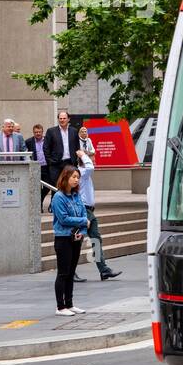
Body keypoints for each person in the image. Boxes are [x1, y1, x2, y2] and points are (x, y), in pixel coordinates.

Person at [74, 148, 121, 282]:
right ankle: (70, 271)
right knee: (78, 242)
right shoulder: (82, 172)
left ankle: (104, 270)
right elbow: (90, 166)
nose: (94, 161)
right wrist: (83, 154)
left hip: (89, 210)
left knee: (96, 239)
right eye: (92, 159)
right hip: (83, 210)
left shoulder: (84, 173)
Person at [49, 166, 88, 316]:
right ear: (65, 178)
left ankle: (70, 304)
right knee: (63, 273)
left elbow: (84, 213)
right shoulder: (58, 197)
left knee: (71, 272)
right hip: (63, 238)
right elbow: (64, 219)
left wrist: (82, 232)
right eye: (73, 177)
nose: (76, 180)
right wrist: (83, 221)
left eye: (78, 177)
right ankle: (60, 307)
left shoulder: (76, 196)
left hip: (76, 238)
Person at [43, 110, 80, 179]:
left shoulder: (74, 131)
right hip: (56, 164)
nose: (62, 120)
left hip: (70, 163)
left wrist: (76, 160)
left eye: (64, 118)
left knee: (70, 186)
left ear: (68, 119)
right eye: (60, 118)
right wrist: (50, 161)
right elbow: (46, 147)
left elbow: (77, 146)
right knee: (56, 186)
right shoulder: (51, 131)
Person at [24, 123, 50, 208]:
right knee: (36, 187)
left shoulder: (48, 140)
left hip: (46, 166)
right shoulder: (29, 141)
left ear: (42, 132)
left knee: (48, 186)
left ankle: (39, 200)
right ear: (33, 132)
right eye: (36, 132)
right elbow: (24, 152)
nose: (38, 134)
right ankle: (39, 206)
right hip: (36, 167)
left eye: (39, 132)